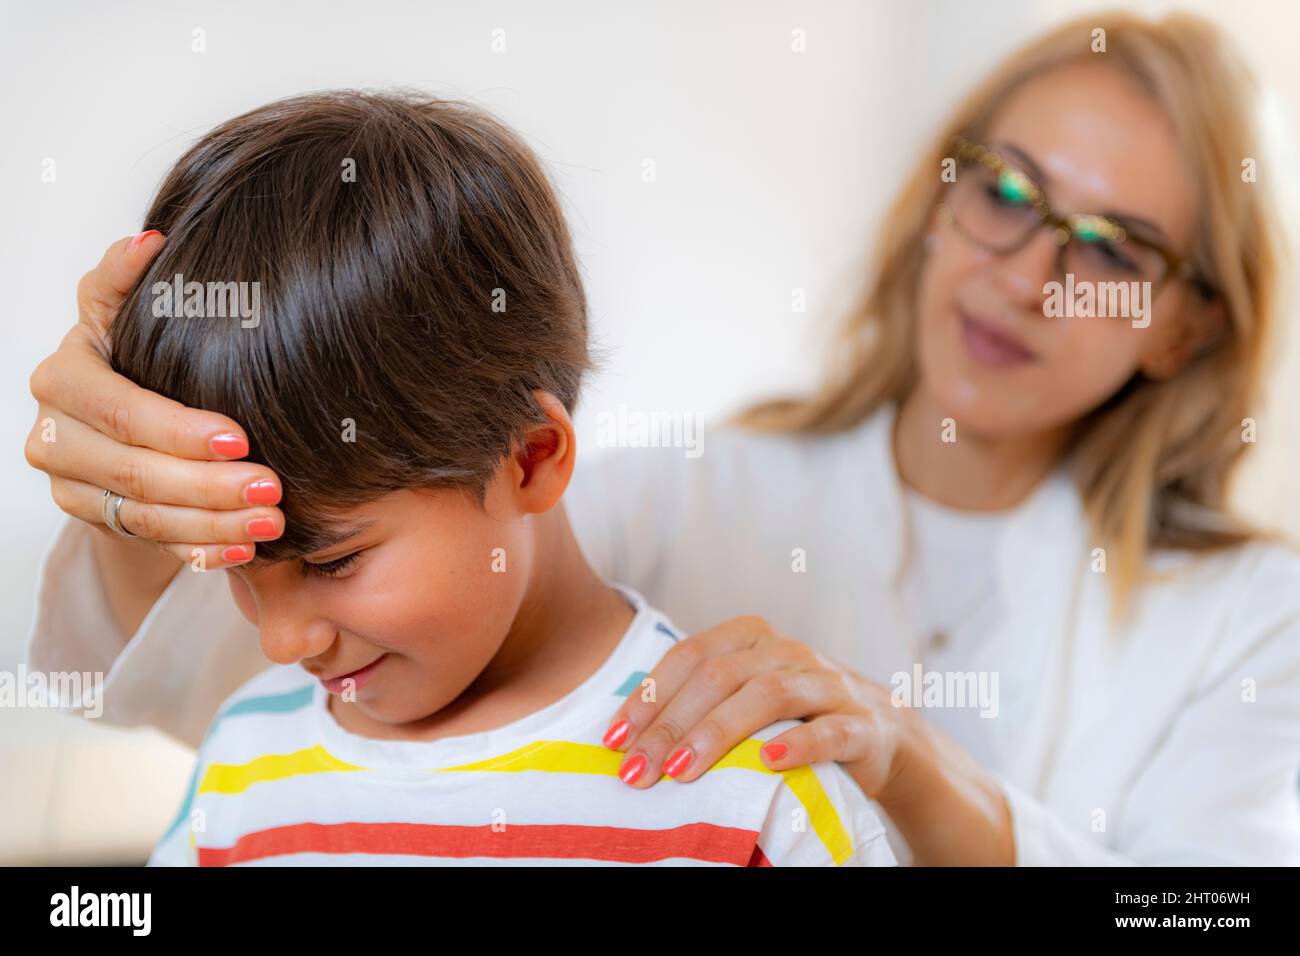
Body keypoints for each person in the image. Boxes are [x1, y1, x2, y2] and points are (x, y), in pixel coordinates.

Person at [25, 12, 1300, 865]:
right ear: (938, 202)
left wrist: (908, 764)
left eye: (1113, 249)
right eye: (1006, 191)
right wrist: (147, 479)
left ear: (1184, 329)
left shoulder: (1256, 614)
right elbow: (263, 694)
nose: (1027, 273)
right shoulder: (660, 499)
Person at [106, 90, 894, 867]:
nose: (281, 644)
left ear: (530, 458)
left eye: (330, 560)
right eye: (239, 567)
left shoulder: (750, 793)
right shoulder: (244, 766)